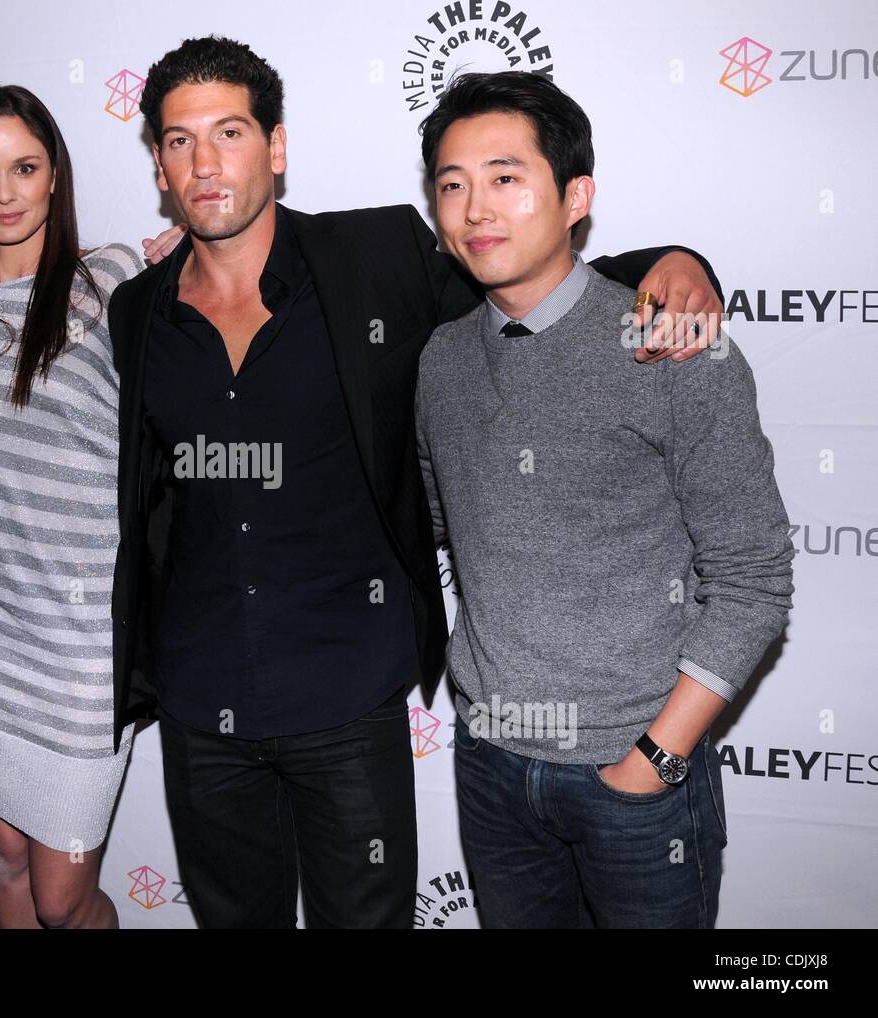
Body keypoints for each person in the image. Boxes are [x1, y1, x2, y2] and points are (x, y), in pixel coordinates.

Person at [104, 36, 728, 929]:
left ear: (275, 148)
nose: (205, 163)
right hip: (203, 710)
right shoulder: (139, 311)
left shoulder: (376, 257)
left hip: (350, 702)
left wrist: (673, 260)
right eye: (178, 141)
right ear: (160, 165)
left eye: (229, 132)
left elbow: (521, 272)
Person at [415, 71, 793, 928]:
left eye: (506, 177)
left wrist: (656, 758)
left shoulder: (675, 346)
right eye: (452, 184)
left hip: (637, 779)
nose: (476, 207)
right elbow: (443, 524)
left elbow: (755, 578)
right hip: (493, 768)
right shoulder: (440, 360)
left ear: (575, 195)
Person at [0, 84, 153, 928]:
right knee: (8, 859)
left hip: (85, 649)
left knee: (63, 897)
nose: (6, 191)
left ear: (55, 174)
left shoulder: (113, 282)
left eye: (24, 167)